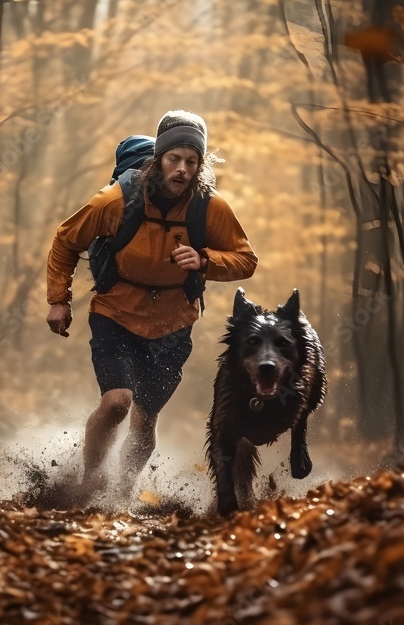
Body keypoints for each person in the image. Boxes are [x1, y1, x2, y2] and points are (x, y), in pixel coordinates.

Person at [45, 110, 257, 503]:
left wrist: (206, 260)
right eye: (174, 158)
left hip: (174, 323)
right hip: (116, 312)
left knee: (145, 419)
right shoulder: (116, 200)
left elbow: (246, 260)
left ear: (200, 165)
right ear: (158, 158)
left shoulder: (210, 207)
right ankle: (90, 485)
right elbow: (65, 240)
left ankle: (121, 493)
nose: (182, 169)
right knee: (117, 402)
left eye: (191, 161)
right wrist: (59, 300)